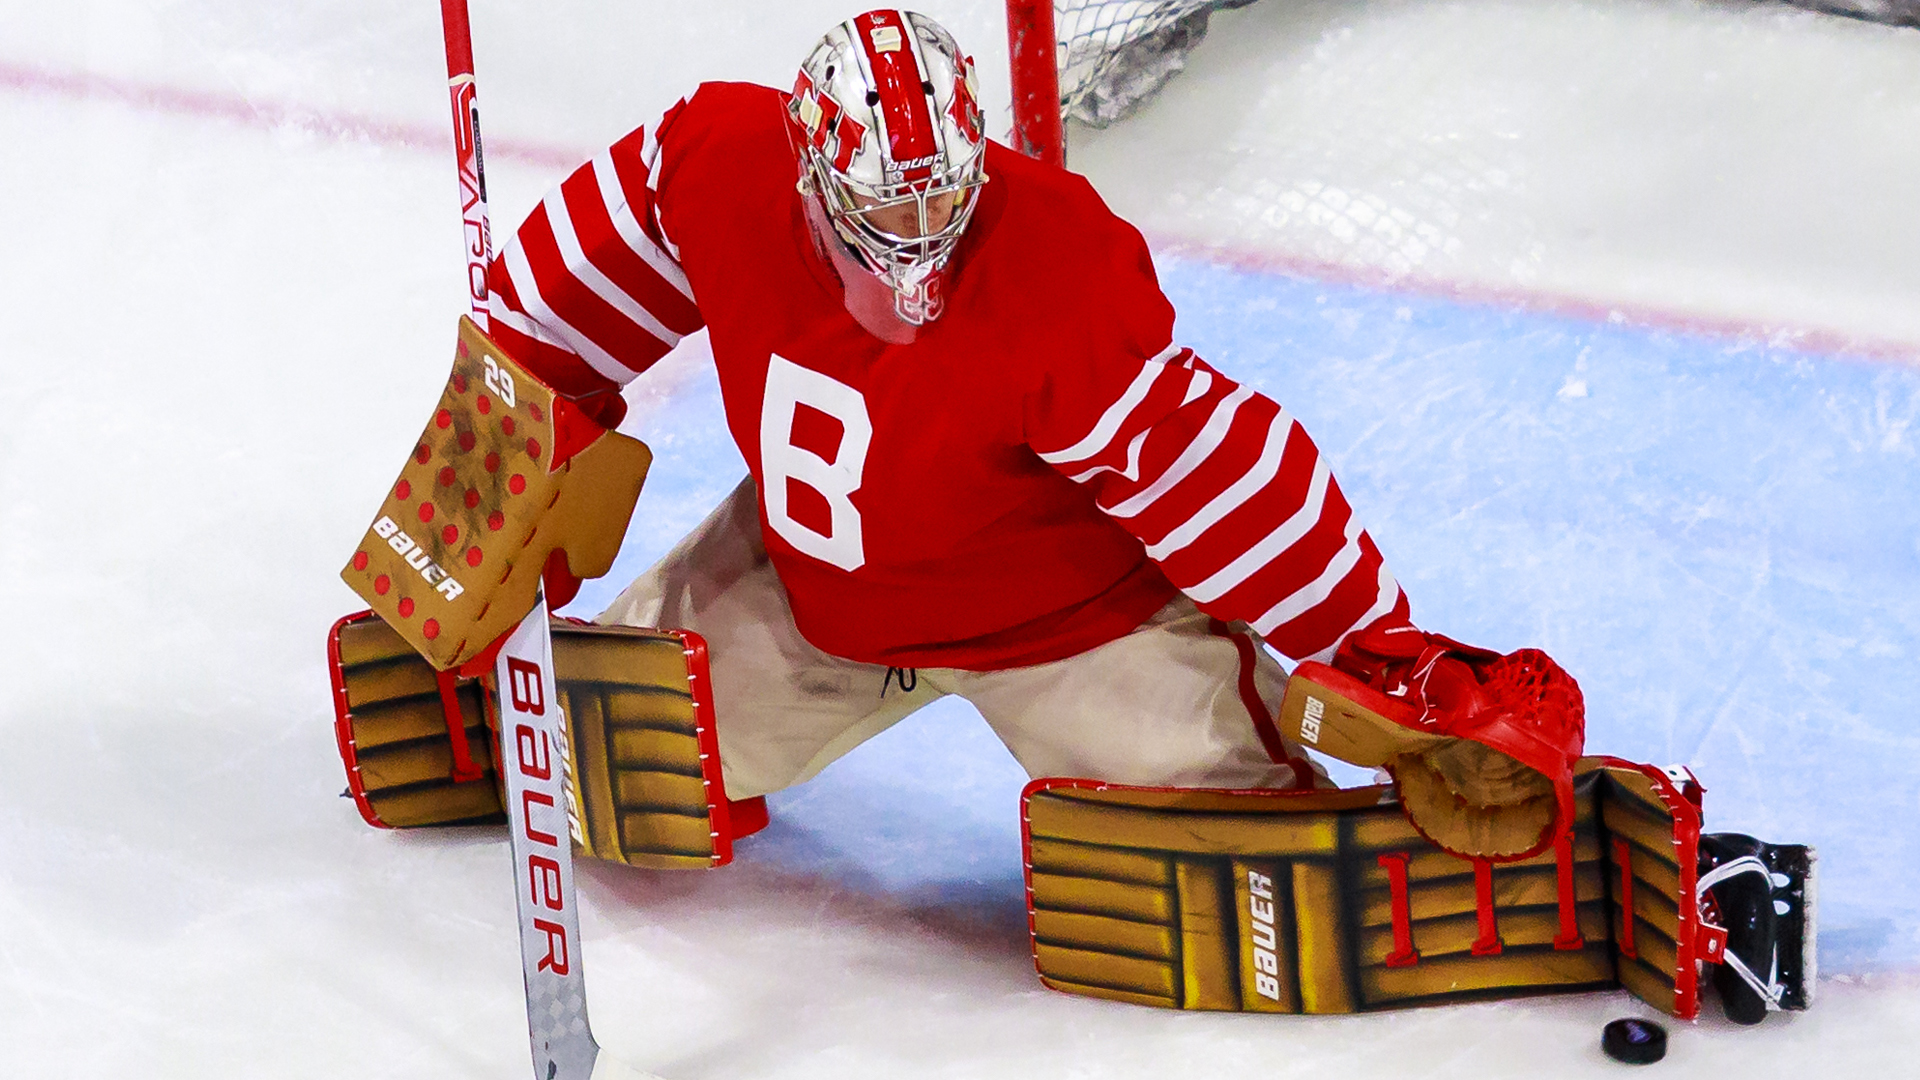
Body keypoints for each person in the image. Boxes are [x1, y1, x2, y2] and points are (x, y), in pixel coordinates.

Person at [480, 7, 1542, 832]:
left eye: (942, 198)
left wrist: (1380, 655)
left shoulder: (1055, 271)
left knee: (1237, 850)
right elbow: (566, 292)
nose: (918, 234)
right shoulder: (718, 161)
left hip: (1068, 629)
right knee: (594, 765)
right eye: (887, 206)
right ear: (811, 171)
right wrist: (504, 444)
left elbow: (1226, 477)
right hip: (812, 599)